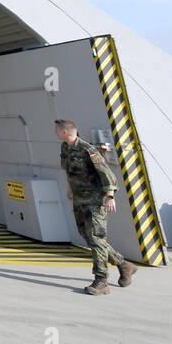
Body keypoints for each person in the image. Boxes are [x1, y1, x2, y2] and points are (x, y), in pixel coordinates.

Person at [56, 118, 136, 294]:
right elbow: (70, 171)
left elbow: (107, 174)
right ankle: (123, 264)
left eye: (57, 130)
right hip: (79, 198)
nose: (55, 132)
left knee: (96, 238)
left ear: (65, 132)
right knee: (88, 236)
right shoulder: (65, 148)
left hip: (95, 201)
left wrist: (110, 196)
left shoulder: (87, 150)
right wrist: (71, 188)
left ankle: (101, 281)